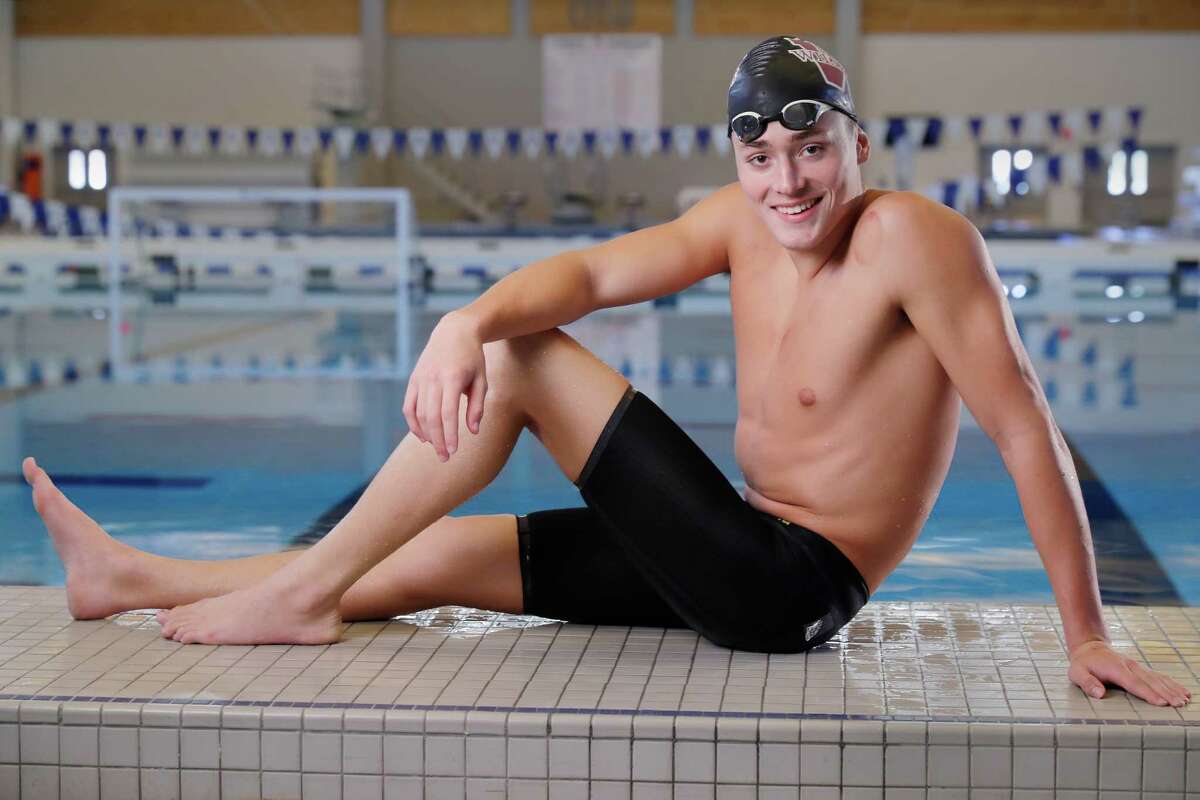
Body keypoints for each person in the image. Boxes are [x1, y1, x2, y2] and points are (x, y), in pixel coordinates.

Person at [21, 36, 1190, 708]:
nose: (786, 181)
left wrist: (1089, 630)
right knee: (421, 554)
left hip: (791, 586)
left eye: (811, 149)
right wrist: (459, 316)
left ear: (856, 146)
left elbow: (1028, 426)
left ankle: (293, 594)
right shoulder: (735, 223)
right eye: (761, 154)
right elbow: (584, 273)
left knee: (522, 358)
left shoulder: (914, 241)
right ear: (739, 157)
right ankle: (129, 576)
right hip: (729, 541)